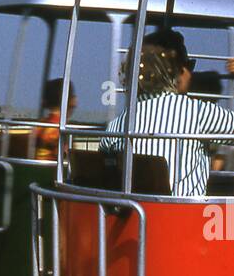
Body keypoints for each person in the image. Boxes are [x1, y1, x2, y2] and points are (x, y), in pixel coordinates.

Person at [100, 30, 234, 196]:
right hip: (184, 216)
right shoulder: (197, 113)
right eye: (189, 65)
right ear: (177, 70)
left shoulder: (116, 125)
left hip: (136, 213)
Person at [35, 78, 78, 160]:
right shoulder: (63, 130)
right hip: (51, 170)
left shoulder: (39, 126)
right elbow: (67, 158)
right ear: (70, 101)